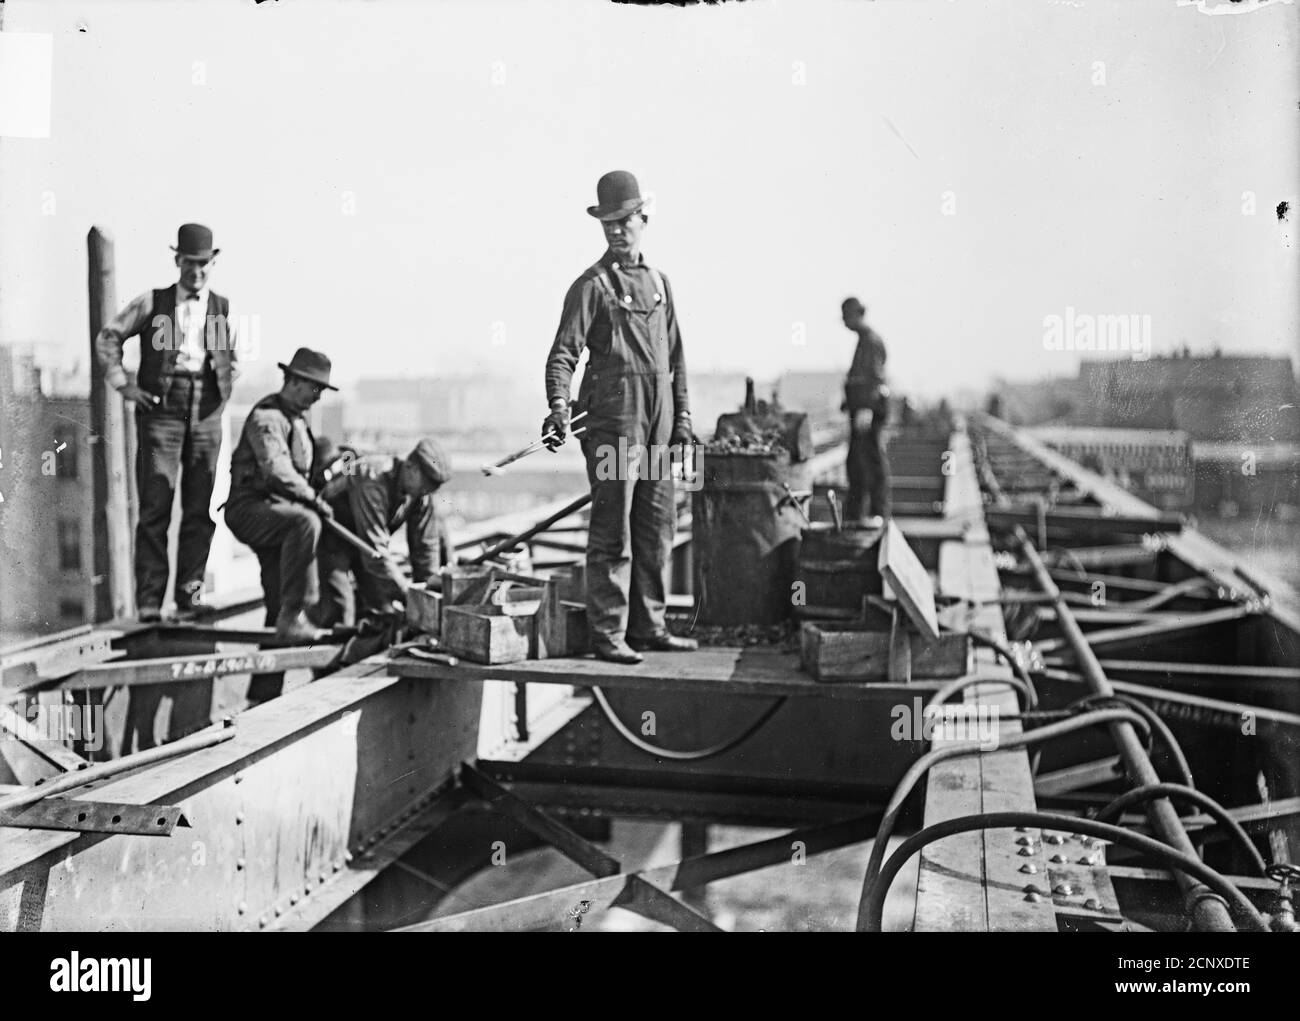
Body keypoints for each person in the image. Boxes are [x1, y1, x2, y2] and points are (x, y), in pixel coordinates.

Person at [542, 170, 697, 665]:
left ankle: (649, 627)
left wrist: (685, 422)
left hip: (657, 431)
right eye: (607, 222)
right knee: (614, 533)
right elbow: (563, 355)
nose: (615, 230)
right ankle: (608, 635)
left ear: (643, 219)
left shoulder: (661, 285)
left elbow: (676, 361)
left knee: (656, 529)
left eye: (623, 221)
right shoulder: (591, 285)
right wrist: (560, 407)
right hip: (614, 429)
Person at [94, 223, 239, 621]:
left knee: (200, 505)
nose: (197, 272)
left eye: (204, 264)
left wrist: (223, 390)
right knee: (156, 503)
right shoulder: (154, 302)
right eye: (190, 263)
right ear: (177, 261)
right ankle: (149, 601)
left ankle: (189, 594)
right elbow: (109, 337)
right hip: (163, 411)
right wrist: (125, 386)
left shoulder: (221, 307)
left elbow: (232, 358)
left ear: (213, 263)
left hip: (207, 411)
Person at [224, 347, 336, 643]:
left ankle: (264, 689)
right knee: (306, 522)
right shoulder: (268, 419)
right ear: (294, 381)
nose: (318, 397)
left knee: (278, 602)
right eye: (315, 388)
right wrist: (313, 499)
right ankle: (296, 615)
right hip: (251, 510)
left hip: (276, 512)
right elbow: (277, 470)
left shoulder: (297, 420)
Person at [312, 438, 455, 628]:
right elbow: (374, 552)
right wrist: (407, 594)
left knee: (385, 612)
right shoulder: (373, 477)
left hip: (366, 543)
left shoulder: (421, 494)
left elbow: (425, 548)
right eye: (427, 482)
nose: (429, 490)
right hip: (333, 537)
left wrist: (428, 593)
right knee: (340, 612)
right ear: (411, 466)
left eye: (434, 486)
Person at [841, 297, 892, 524]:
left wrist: (866, 409)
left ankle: (877, 512)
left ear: (857, 314)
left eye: (846, 316)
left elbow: (874, 377)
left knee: (869, 461)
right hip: (861, 410)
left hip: (867, 411)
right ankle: (857, 514)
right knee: (856, 463)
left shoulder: (870, 341)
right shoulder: (864, 341)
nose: (844, 322)